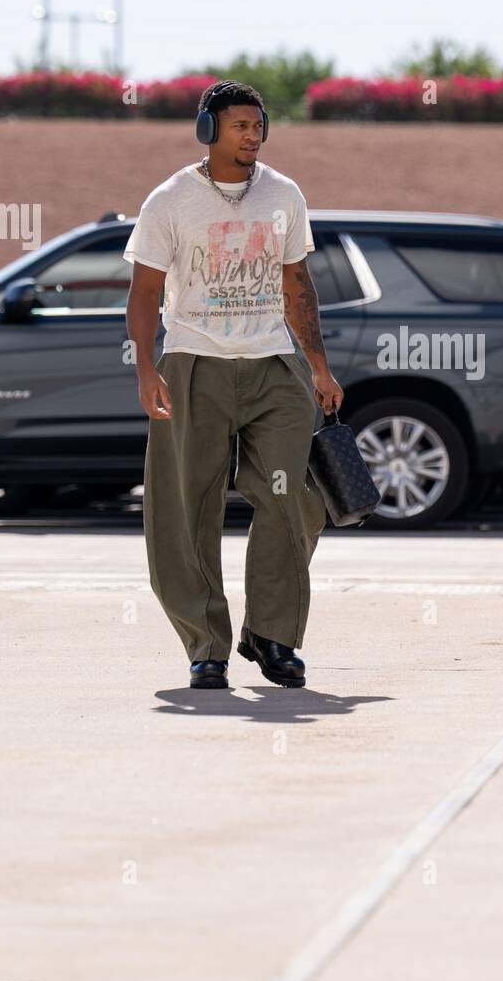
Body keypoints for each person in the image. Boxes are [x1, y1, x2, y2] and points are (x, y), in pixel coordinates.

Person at [124, 80, 343, 690]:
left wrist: (318, 365)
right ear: (208, 129)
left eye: (259, 124)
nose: (253, 135)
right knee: (185, 507)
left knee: (294, 498)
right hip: (195, 363)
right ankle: (206, 644)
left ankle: (271, 635)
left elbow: (298, 282)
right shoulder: (170, 199)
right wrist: (147, 368)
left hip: (274, 364)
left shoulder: (284, 194)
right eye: (240, 125)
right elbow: (143, 293)